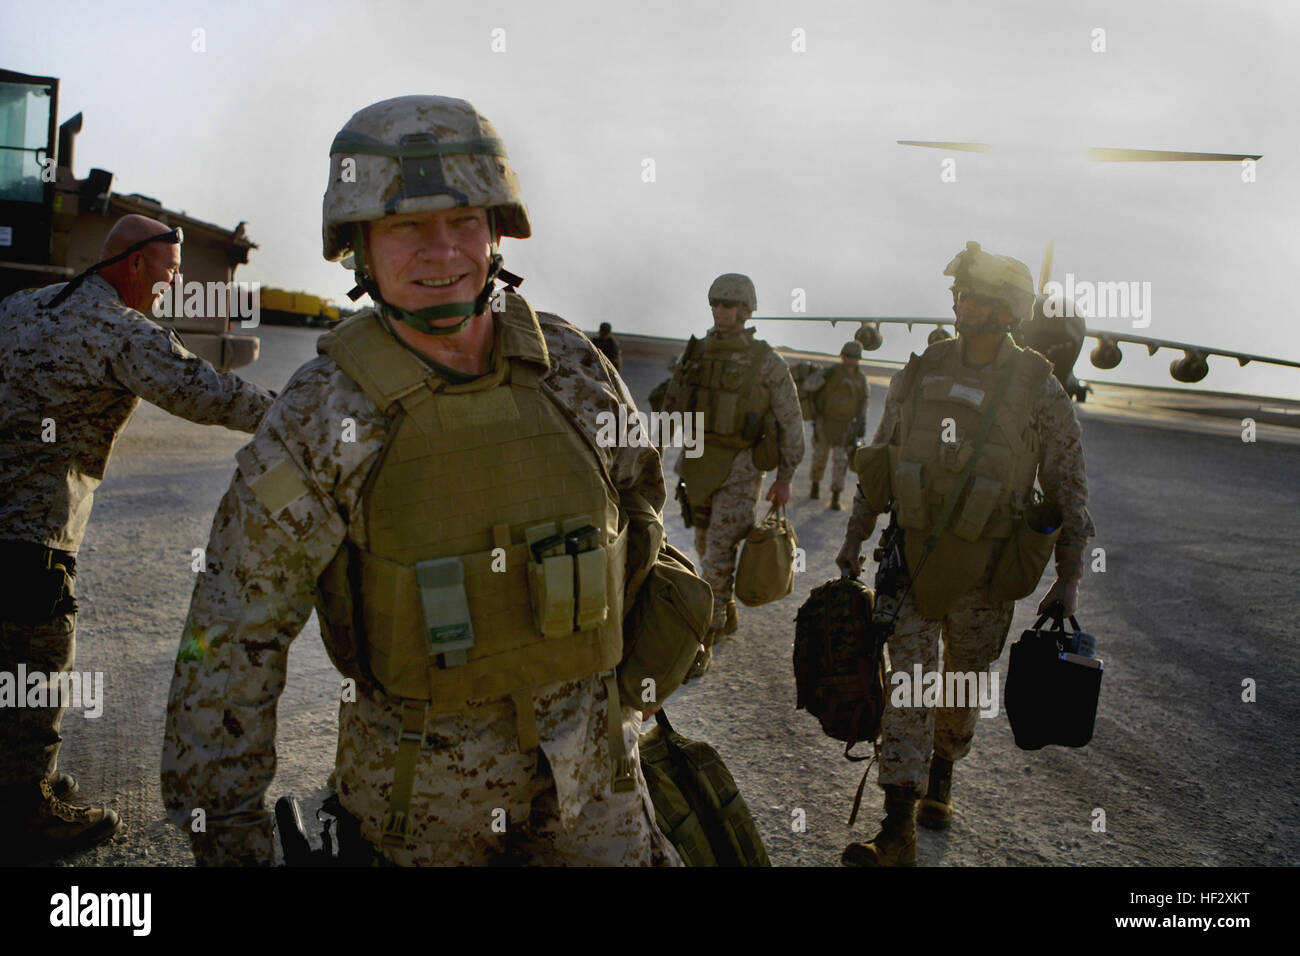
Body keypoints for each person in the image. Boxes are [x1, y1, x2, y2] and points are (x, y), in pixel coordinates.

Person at [160, 96, 680, 867]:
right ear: (360, 249)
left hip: (596, 782)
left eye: (464, 220)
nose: (442, 250)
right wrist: (227, 833)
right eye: (407, 226)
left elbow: (641, 508)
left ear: (497, 232)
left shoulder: (570, 367)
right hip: (424, 812)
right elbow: (234, 638)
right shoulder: (322, 414)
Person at [0, 215, 273, 858]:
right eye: (171, 272)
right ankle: (23, 810)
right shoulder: (120, 331)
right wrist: (303, 413)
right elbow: (206, 395)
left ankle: (12, 780)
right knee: (39, 663)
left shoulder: (19, 306)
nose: (172, 285)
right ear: (136, 265)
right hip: (34, 529)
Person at [835, 241, 1095, 867]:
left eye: (973, 295)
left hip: (988, 571)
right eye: (958, 294)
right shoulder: (921, 371)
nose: (960, 303)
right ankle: (897, 827)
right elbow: (880, 462)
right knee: (909, 690)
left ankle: (945, 764)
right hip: (913, 560)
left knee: (962, 685)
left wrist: (1069, 578)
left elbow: (1068, 487)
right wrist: (854, 539)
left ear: (1004, 309)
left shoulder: (1039, 388)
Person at [662, 273, 804, 677]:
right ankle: (723, 608)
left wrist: (785, 475)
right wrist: (655, 451)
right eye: (716, 303)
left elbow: (791, 419)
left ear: (745, 311)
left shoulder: (766, 361)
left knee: (719, 551)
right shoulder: (695, 353)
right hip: (697, 460)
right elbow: (673, 404)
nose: (720, 310)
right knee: (707, 546)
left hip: (740, 467)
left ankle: (706, 636)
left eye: (729, 304)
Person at [803, 341, 869, 509]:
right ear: (842, 356)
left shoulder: (861, 379)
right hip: (824, 423)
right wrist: (821, 376)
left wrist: (861, 422)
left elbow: (863, 402)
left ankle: (835, 496)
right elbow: (808, 386)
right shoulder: (831, 372)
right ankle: (815, 486)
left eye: (854, 357)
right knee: (820, 458)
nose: (850, 360)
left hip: (845, 427)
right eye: (847, 356)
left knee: (840, 462)